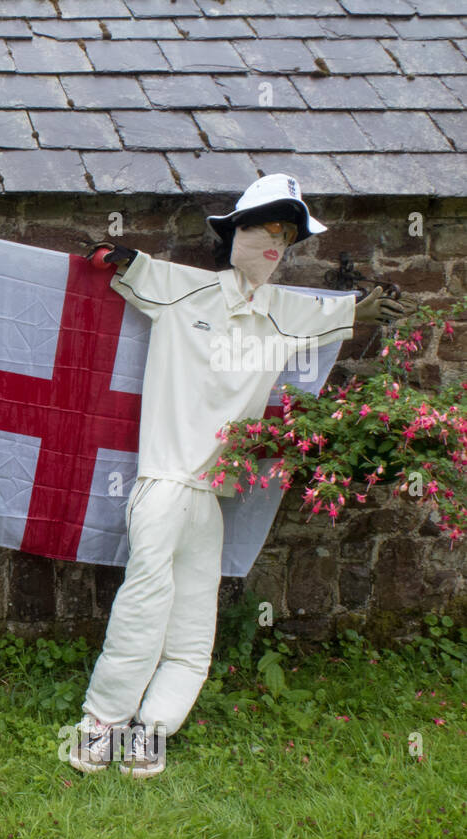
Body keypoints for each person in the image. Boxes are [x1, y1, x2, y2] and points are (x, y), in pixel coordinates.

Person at [69, 173, 413, 778]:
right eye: (265, 228)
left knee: (194, 618)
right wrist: (115, 256)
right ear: (236, 233)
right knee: (146, 600)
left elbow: (334, 318)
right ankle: (101, 724)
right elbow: (122, 266)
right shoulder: (186, 290)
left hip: (213, 492)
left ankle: (151, 731)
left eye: (287, 233)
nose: (275, 243)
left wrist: (360, 312)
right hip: (166, 479)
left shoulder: (286, 310)